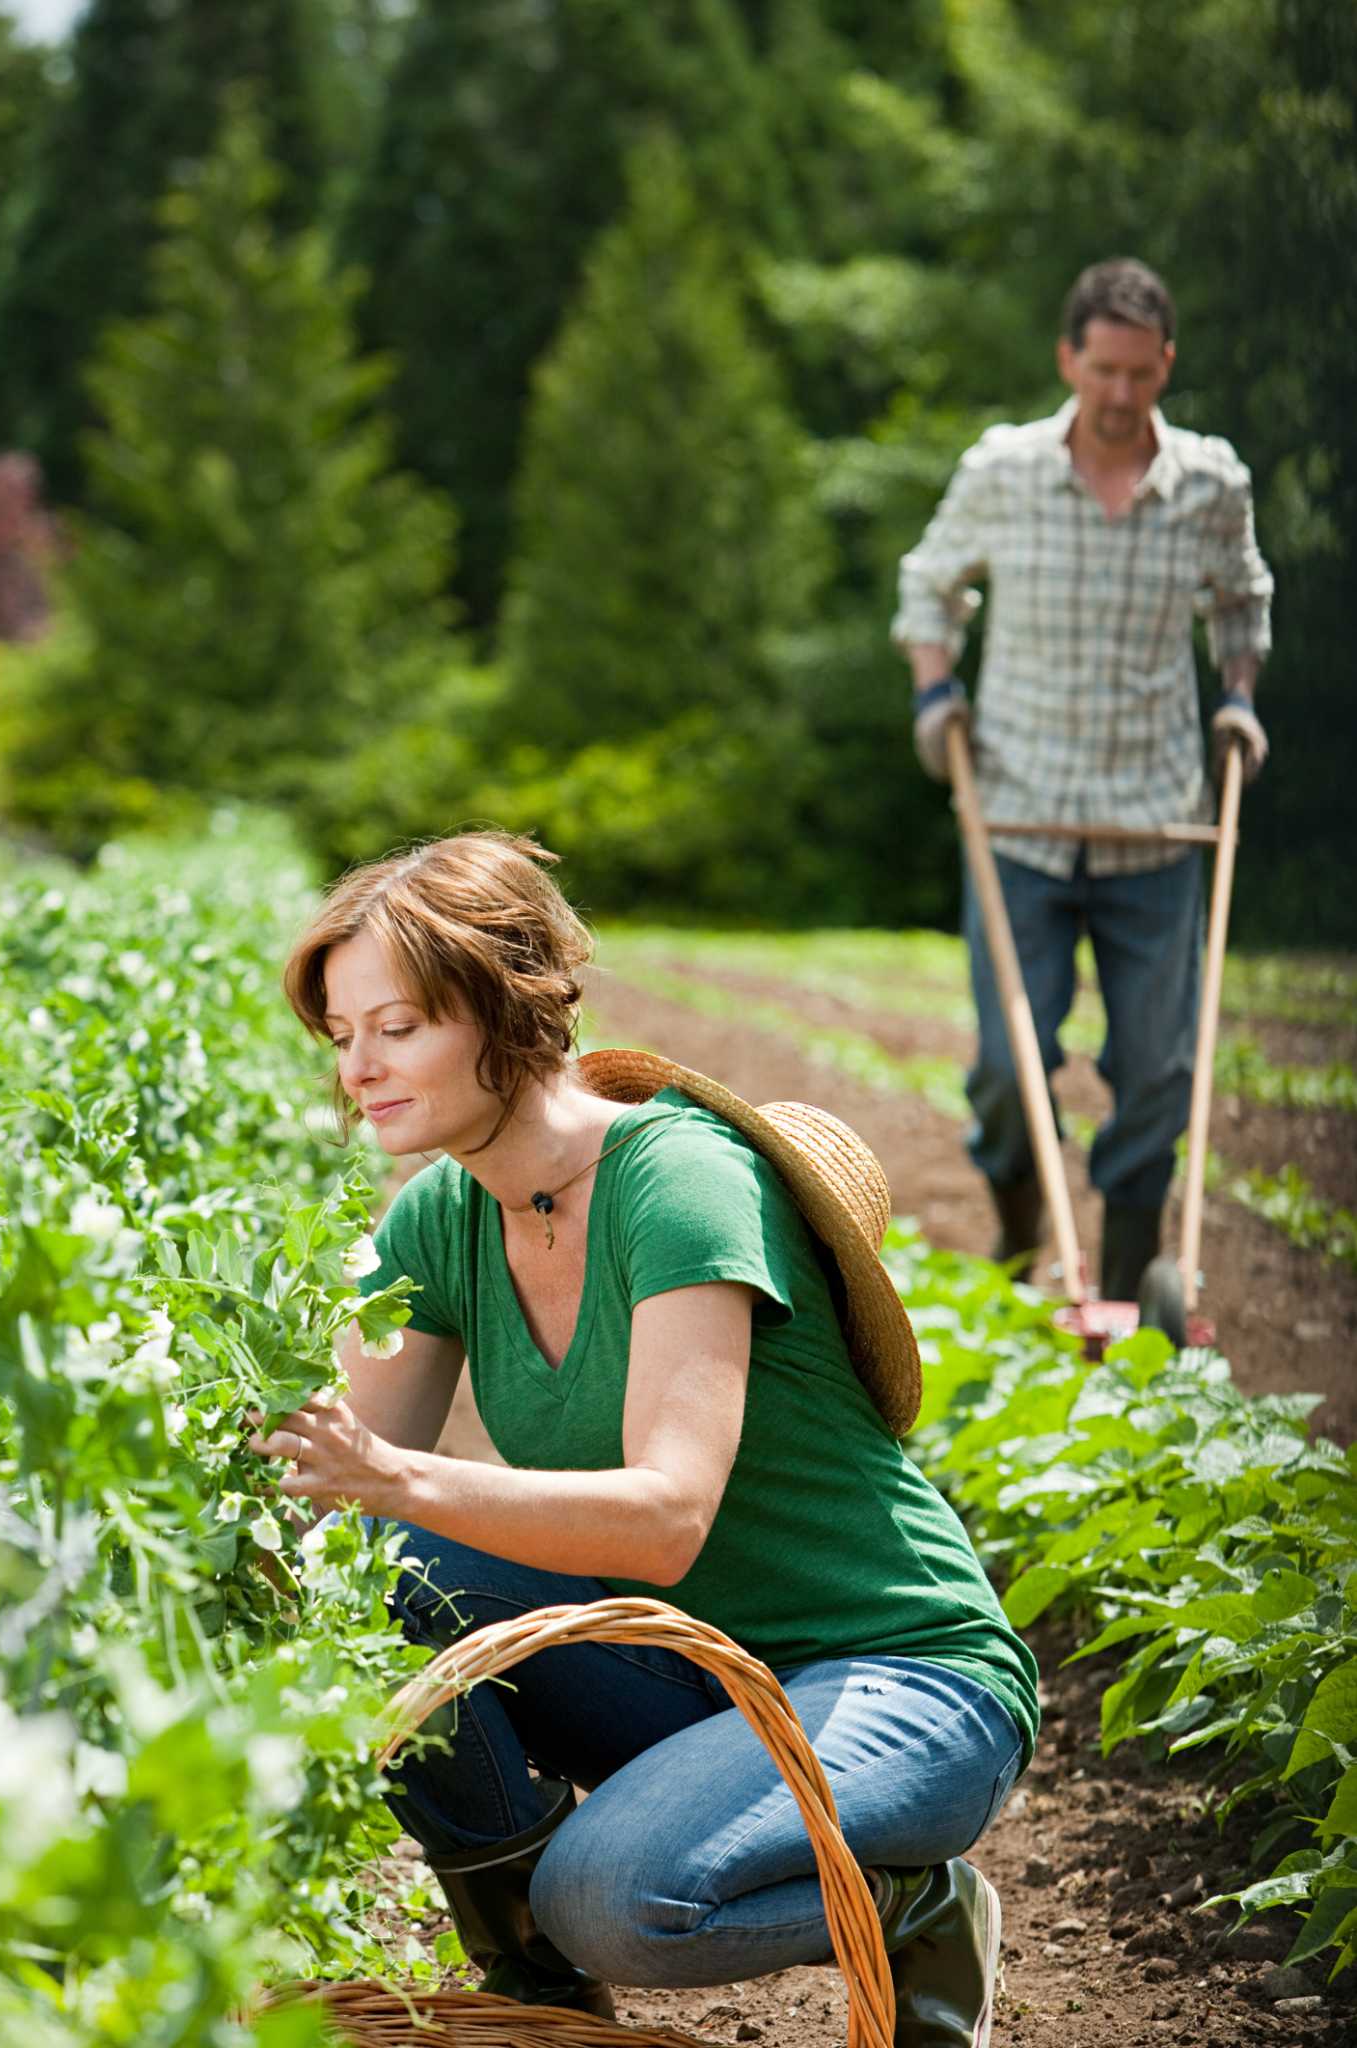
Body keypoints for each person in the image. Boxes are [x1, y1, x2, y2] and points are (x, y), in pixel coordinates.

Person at [251, 829, 1039, 2048]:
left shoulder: (679, 1179)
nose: (358, 1067)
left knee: (611, 1896)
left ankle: (912, 1904)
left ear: (503, 1009)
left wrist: (395, 1475)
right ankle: (541, 1998)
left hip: (901, 1677)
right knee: (381, 1581)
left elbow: (666, 1519)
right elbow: (327, 1510)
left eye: (396, 1027)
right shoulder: (440, 1217)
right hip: (691, 1676)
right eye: (343, 1035)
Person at [892, 257, 1273, 1298]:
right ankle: (1022, 1264)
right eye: (1102, 369)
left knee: (1158, 1076)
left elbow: (1242, 604)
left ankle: (1119, 1301)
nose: (1118, 394)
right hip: (1017, 818)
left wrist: (1237, 693)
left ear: (1166, 367)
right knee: (1009, 1071)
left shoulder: (1210, 484)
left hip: (1158, 827)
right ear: (1069, 358)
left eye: (1140, 374)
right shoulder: (1004, 470)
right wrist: (937, 696)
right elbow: (928, 590)